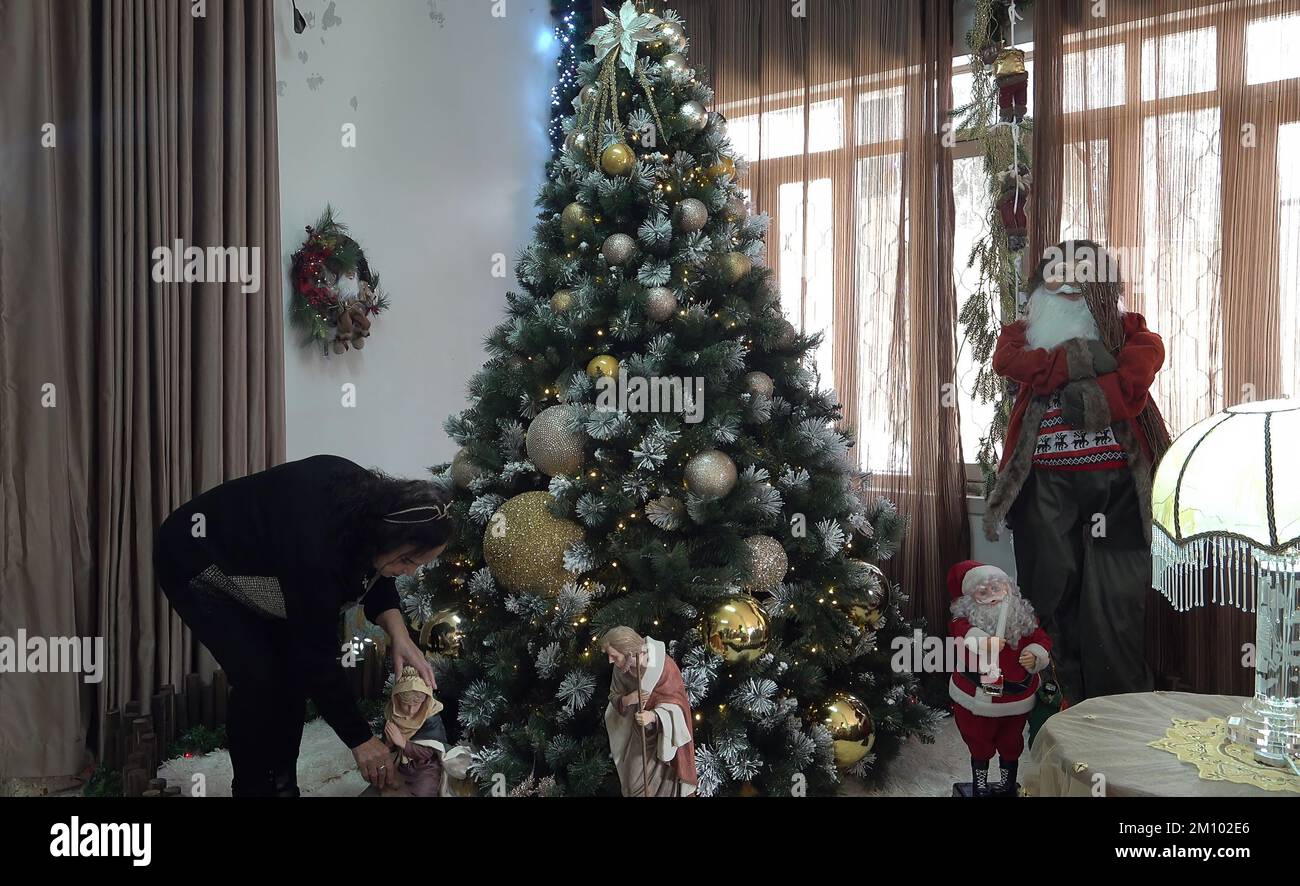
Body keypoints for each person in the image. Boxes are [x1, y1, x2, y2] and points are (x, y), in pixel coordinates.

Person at [153, 454, 452, 797]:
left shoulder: (374, 521)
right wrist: (361, 740)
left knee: (289, 678)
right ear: (386, 536)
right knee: (258, 678)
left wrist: (399, 634)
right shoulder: (317, 549)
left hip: (271, 568)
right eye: (407, 560)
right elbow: (317, 659)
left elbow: (377, 575)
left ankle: (283, 786)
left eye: (419, 564)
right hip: (196, 559)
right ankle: (251, 789)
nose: (410, 571)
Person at [983, 240, 1171, 703]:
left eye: (1080, 273)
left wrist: (1096, 394)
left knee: (1115, 604)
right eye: (1056, 273)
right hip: (1045, 484)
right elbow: (1006, 360)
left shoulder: (1126, 329)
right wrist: (1076, 360)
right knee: (1049, 597)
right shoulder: (1025, 331)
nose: (1067, 282)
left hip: (1119, 489)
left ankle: (1117, 716)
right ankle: (1060, 708)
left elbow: (1142, 365)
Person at [946, 561, 1051, 797]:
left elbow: (1042, 640)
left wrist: (1034, 654)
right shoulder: (964, 621)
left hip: (1016, 697)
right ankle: (980, 785)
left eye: (997, 589)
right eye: (983, 592)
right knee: (979, 741)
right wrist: (984, 642)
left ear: (1008, 588)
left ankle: (1007, 783)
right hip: (978, 695)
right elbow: (962, 633)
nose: (992, 596)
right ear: (970, 598)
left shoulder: (1021, 618)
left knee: (1011, 742)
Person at [601, 626, 697, 797]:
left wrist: (653, 716)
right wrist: (628, 699)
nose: (610, 661)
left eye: (614, 656)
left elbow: (679, 706)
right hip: (638, 734)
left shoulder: (664, 666)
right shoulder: (620, 668)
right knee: (633, 786)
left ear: (629, 652)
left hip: (665, 738)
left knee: (665, 786)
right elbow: (614, 695)